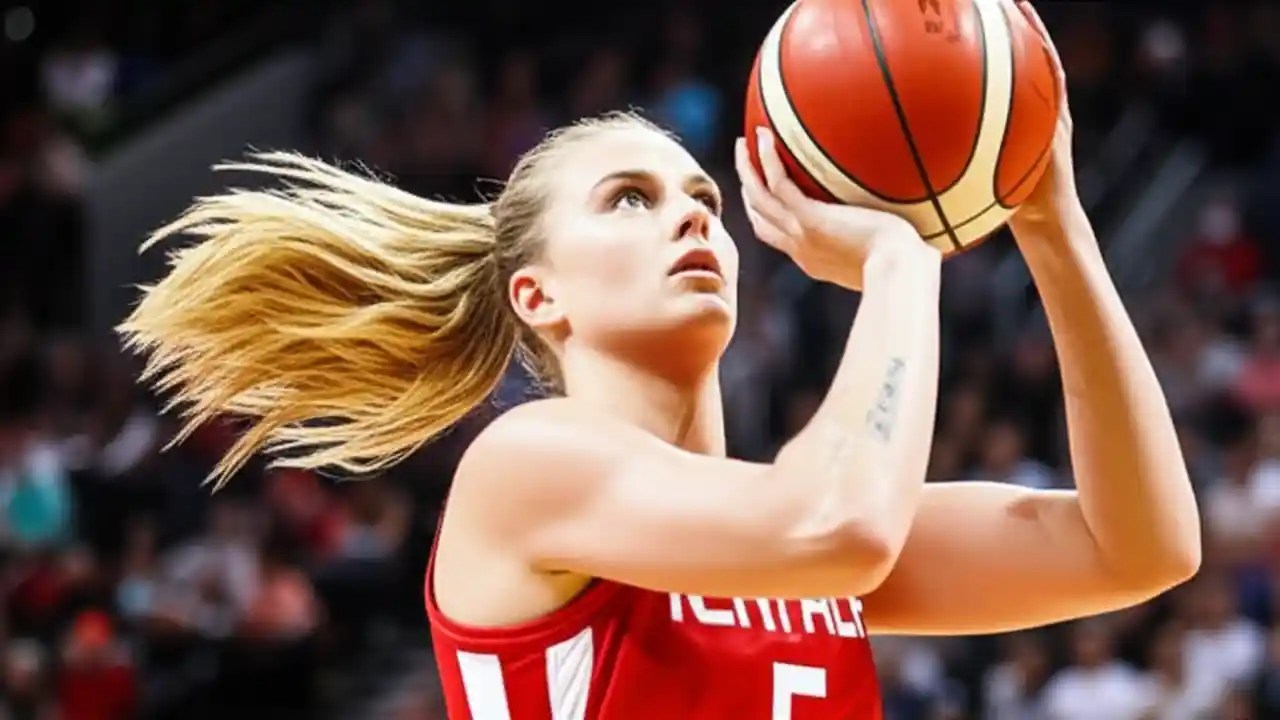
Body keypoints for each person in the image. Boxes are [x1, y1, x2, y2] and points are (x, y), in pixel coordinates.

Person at [118, 3, 1200, 718]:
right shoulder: (527, 463)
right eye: (629, 200)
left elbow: (1135, 544)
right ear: (537, 295)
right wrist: (900, 261)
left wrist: (1051, 223)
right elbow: (838, 525)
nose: (687, 219)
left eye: (702, 200)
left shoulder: (788, 520)